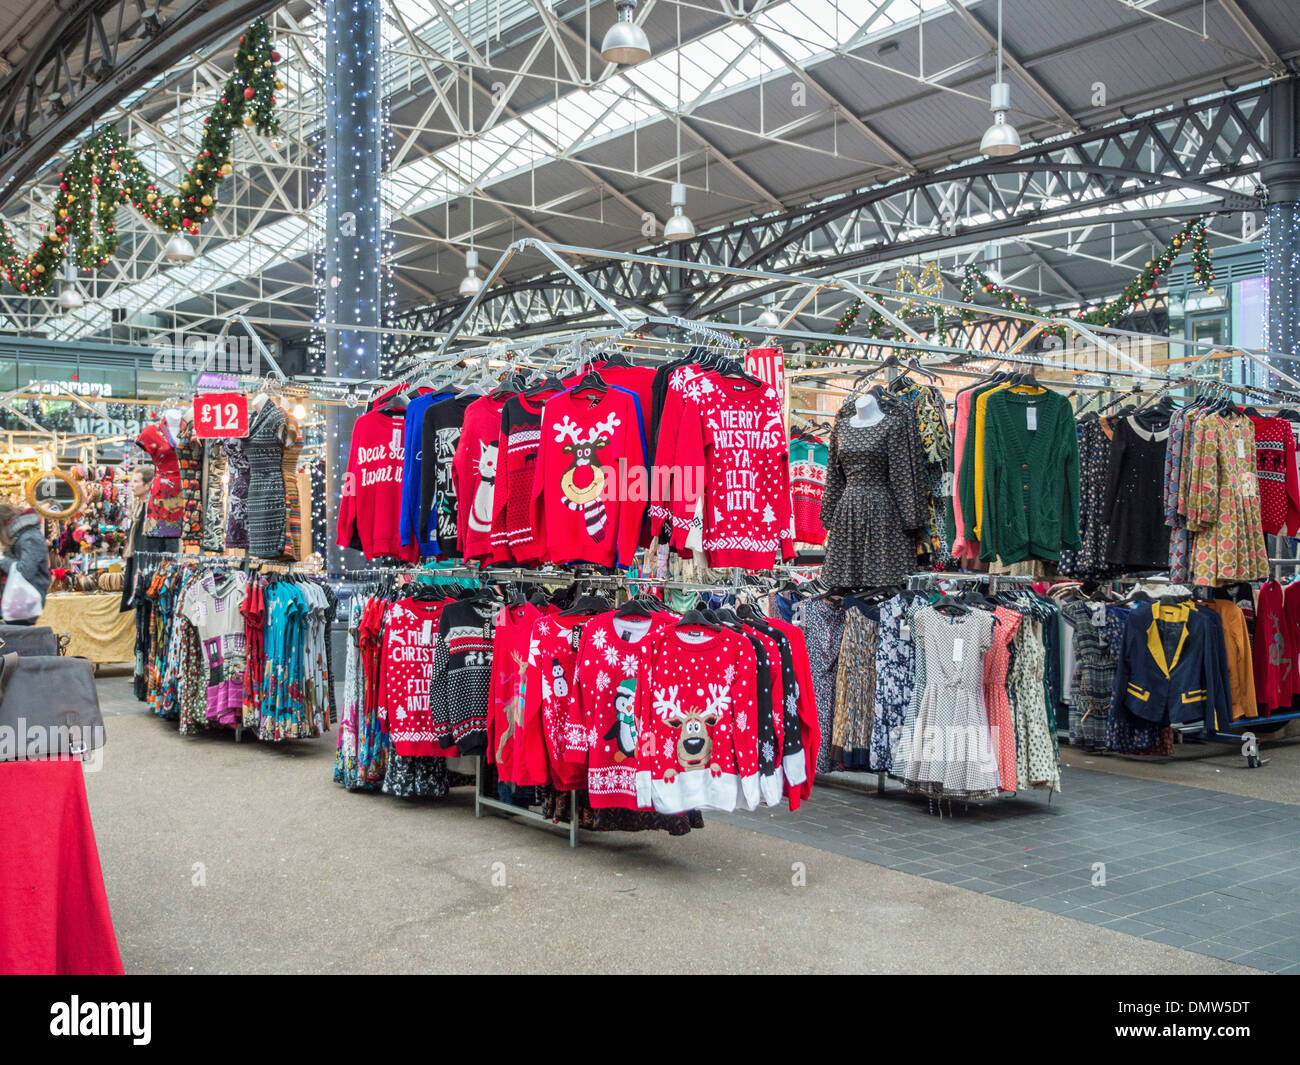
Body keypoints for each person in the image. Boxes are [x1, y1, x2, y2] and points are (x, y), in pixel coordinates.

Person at [0, 500, 51, 624]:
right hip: (17, 600)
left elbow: (25, 571)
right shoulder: (21, 536)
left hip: (22, 602)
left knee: (15, 638)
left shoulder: (29, 537)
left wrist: (2, 560)